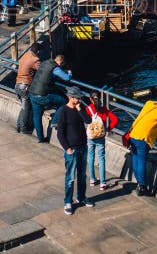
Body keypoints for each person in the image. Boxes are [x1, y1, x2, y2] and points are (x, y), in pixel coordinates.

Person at [55, 85, 94, 215]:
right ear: (70, 97)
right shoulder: (63, 111)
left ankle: (81, 197)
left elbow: (88, 120)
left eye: (79, 98)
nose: (79, 100)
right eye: (77, 98)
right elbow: (60, 133)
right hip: (72, 149)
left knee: (82, 175)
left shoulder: (80, 108)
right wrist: (67, 149)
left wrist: (80, 110)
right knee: (70, 177)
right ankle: (68, 201)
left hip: (83, 147)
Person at [28, 54, 71, 143]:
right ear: (60, 62)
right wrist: (69, 72)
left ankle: (40, 138)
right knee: (64, 102)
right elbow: (66, 78)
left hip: (32, 93)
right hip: (42, 95)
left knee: (37, 116)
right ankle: (55, 121)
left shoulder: (44, 63)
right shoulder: (55, 68)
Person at [85, 91, 119, 190]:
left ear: (91, 99)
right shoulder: (103, 109)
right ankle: (103, 183)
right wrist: (108, 128)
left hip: (90, 136)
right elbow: (115, 119)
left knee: (90, 156)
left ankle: (92, 179)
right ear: (99, 98)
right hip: (100, 137)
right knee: (101, 158)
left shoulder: (88, 109)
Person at [15, 42, 41, 135]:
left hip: (18, 84)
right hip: (25, 86)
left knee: (23, 107)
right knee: (26, 108)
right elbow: (42, 71)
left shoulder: (25, 55)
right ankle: (23, 128)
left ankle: (18, 125)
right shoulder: (35, 60)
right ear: (38, 51)